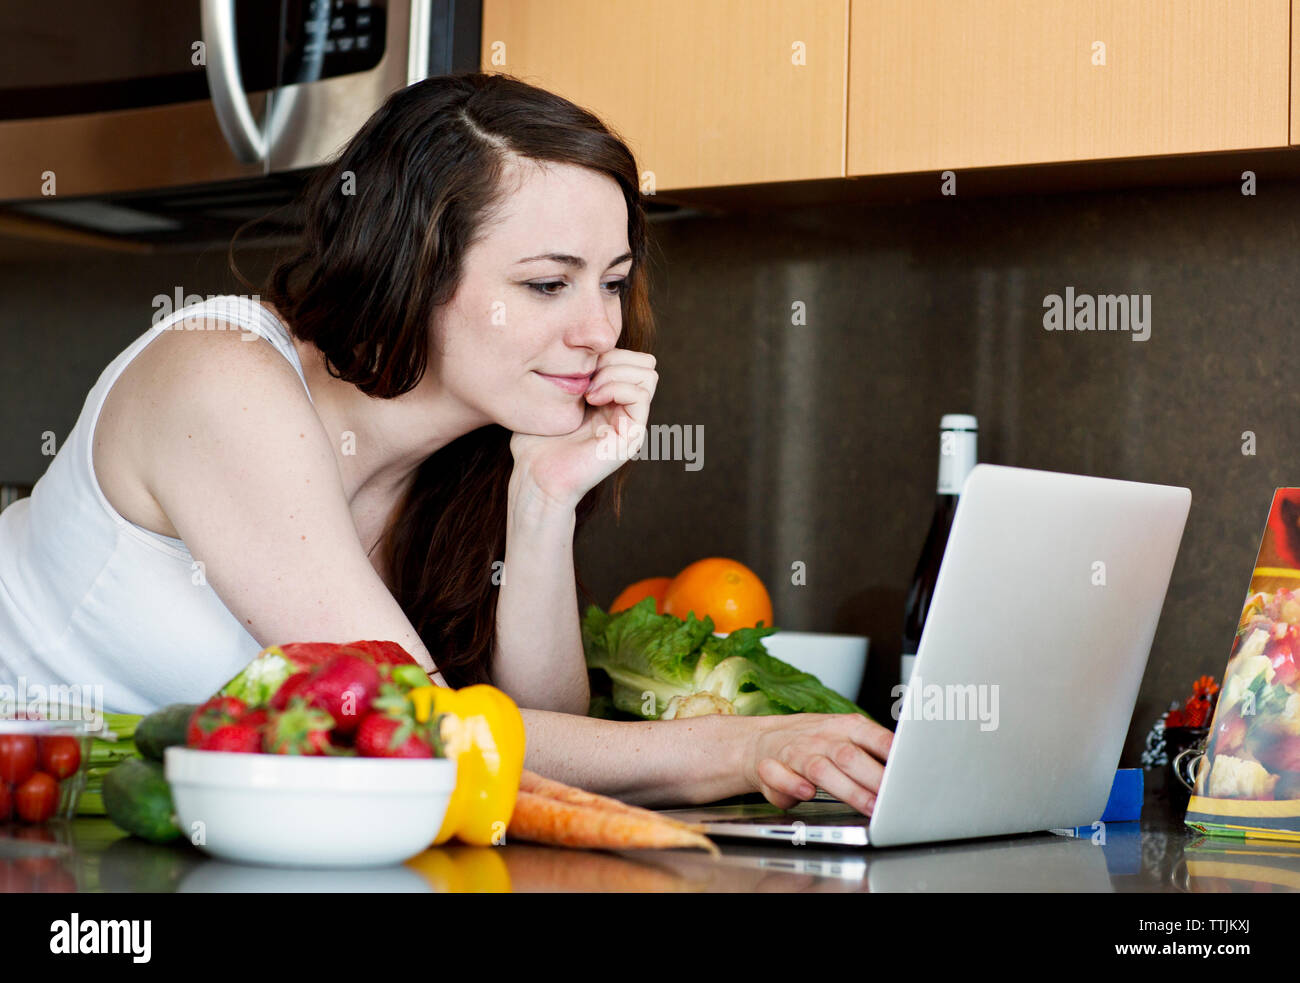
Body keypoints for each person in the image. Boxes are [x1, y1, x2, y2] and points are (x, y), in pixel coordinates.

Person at [0, 72, 891, 813]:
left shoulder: (468, 454)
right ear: (411, 270)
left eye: (612, 283)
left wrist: (543, 502)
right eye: (548, 284)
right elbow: (432, 732)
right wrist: (740, 747)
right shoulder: (219, 378)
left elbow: (525, 741)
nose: (599, 329)